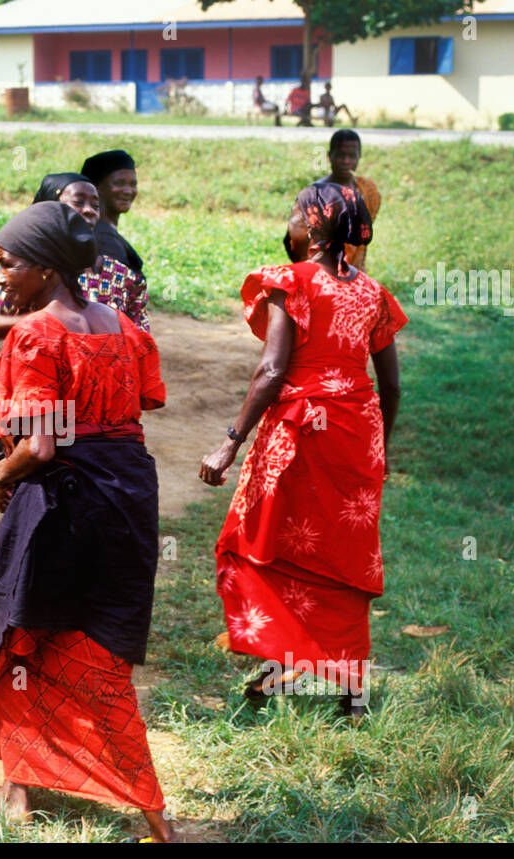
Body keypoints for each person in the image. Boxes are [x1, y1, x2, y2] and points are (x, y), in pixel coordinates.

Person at [0, 201, 174, 843]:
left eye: (7, 264)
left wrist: (2, 481)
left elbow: (39, 447)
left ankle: (30, 799)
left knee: (19, 636)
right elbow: (138, 405)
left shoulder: (35, 336)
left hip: (60, 500)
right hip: (125, 502)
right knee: (97, 654)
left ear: (43, 269)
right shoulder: (123, 328)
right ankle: (122, 810)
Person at [199, 182, 404, 719]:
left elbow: (271, 371)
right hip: (357, 434)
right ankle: (348, 695)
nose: (287, 225)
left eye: (293, 216)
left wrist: (229, 445)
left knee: (266, 544)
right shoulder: (373, 293)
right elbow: (393, 387)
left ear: (313, 229)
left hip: (298, 433)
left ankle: (278, 661)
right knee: (342, 559)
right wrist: (377, 444)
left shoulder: (292, 281)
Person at [0, 172, 149, 334]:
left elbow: (138, 336)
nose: (90, 210)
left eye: (96, 205)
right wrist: (55, 321)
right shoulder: (9, 265)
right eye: (78, 202)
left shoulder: (122, 275)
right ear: (48, 209)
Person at [317, 129, 379, 271]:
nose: (346, 161)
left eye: (352, 156)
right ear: (329, 156)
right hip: (325, 271)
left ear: (359, 157)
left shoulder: (367, 189)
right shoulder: (318, 193)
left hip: (356, 269)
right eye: (340, 155)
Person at [79, 149, 143, 275]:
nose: (128, 191)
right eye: (119, 183)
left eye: (133, 184)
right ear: (96, 187)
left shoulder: (103, 230)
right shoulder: (104, 239)